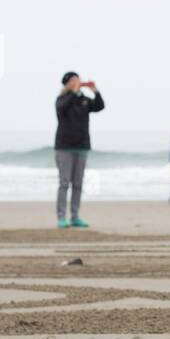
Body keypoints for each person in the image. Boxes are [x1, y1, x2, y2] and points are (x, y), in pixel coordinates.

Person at [54, 72, 104, 228]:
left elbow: (99, 106)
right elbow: (63, 108)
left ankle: (75, 216)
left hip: (82, 146)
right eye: (74, 80)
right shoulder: (62, 99)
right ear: (67, 83)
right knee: (64, 183)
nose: (78, 82)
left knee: (78, 184)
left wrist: (95, 91)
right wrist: (74, 92)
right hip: (64, 147)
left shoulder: (83, 100)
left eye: (78, 79)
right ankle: (61, 217)